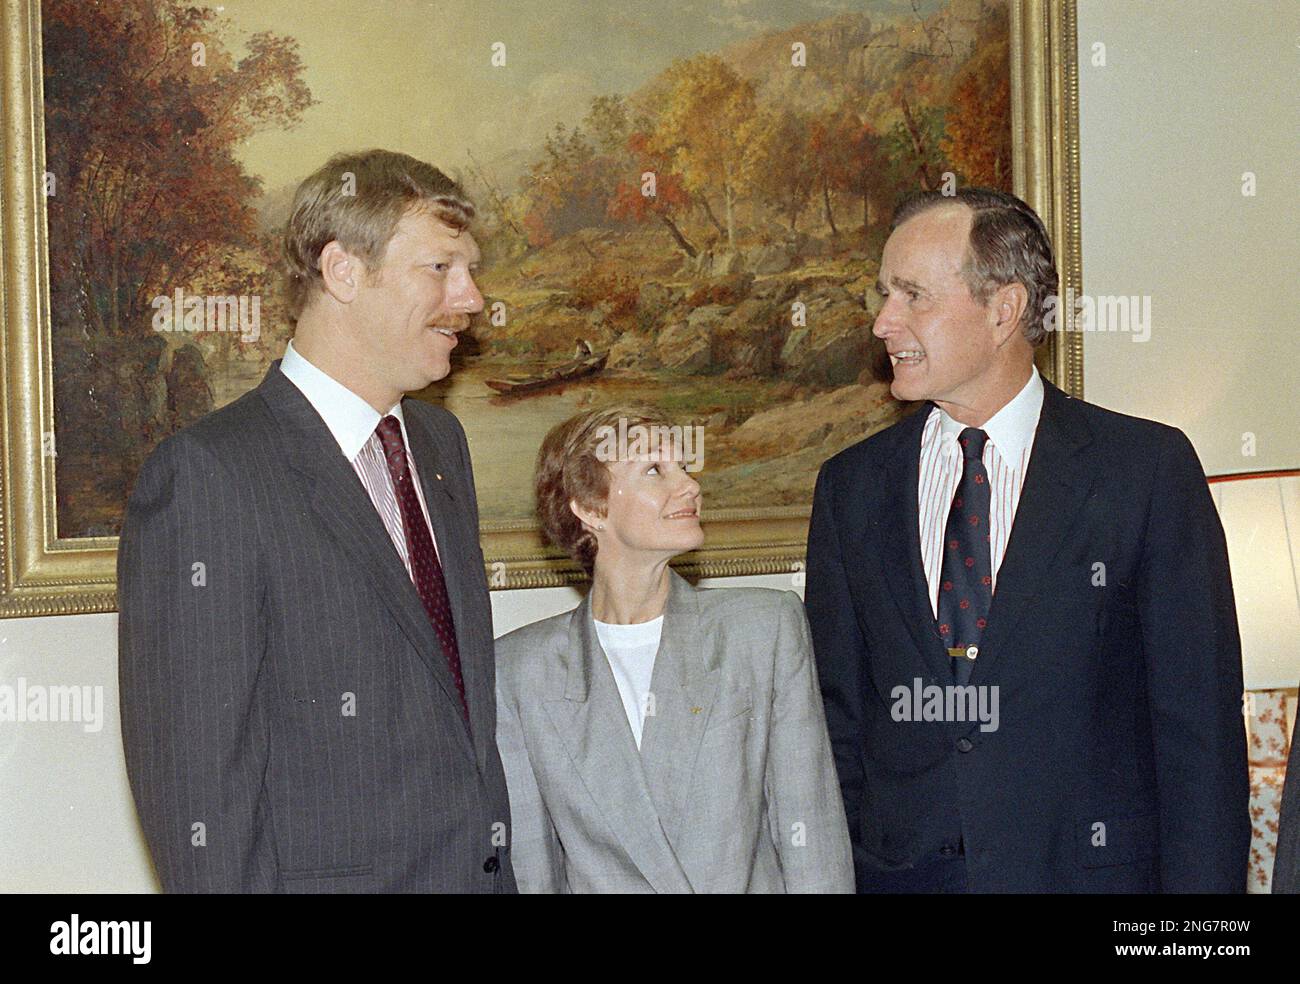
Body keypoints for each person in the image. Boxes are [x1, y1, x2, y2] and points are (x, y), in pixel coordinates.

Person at [806, 187, 1248, 893]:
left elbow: (1200, 740)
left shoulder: (1143, 470)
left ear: (1004, 309)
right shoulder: (850, 489)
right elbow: (837, 731)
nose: (884, 322)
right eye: (883, 295)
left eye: (912, 296)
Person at [118, 149, 516, 893]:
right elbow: (199, 799)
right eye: (441, 269)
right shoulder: (209, 476)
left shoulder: (438, 446)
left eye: (471, 271)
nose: (471, 299)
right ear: (342, 272)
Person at [495, 406, 853, 892]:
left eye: (683, 467)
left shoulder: (763, 628)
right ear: (589, 506)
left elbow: (812, 838)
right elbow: (534, 870)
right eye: (653, 470)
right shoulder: (520, 670)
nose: (688, 485)